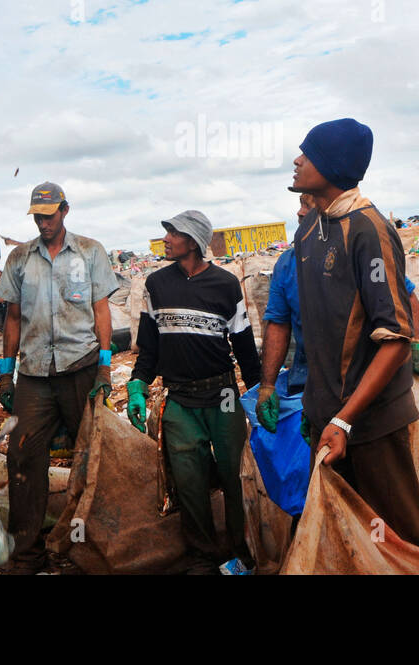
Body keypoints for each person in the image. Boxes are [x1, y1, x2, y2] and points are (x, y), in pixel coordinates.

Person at [279, 117, 419, 549]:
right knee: (340, 541)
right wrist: (321, 412)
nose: (297, 160)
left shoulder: (368, 230)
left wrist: (346, 418)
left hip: (370, 421)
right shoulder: (309, 229)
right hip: (324, 419)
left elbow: (396, 339)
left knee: (396, 542)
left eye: (306, 154)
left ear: (331, 163)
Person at [126, 210, 261, 573]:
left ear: (194, 242)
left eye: (173, 233)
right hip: (180, 399)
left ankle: (241, 550)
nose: (166, 238)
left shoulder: (225, 285)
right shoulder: (156, 284)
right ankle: (202, 555)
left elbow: (244, 344)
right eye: (167, 232)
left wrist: (260, 391)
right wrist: (138, 382)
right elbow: (149, 346)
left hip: (223, 396)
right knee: (189, 482)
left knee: (235, 477)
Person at [0, 182, 117, 574]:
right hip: (34, 374)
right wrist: (4, 376)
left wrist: (104, 366)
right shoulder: (19, 258)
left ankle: (93, 546)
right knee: (22, 455)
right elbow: (12, 319)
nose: (43, 223)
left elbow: (101, 312)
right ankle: (27, 553)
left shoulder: (90, 252)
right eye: (38, 217)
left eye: (49, 215)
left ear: (65, 210)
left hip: (80, 366)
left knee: (91, 456)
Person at [258, 191, 419, 434]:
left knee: (377, 458)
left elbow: (405, 297)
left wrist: (416, 340)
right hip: (313, 382)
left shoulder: (356, 246)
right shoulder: (287, 264)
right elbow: (278, 323)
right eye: (299, 204)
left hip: (368, 379)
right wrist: (267, 386)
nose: (299, 212)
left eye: (307, 205)